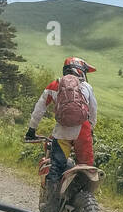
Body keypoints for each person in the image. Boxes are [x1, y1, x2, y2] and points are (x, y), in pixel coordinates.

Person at [25, 57, 98, 188]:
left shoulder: (54, 86)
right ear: (80, 71)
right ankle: (85, 195)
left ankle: (52, 201)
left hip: (61, 133)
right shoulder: (87, 87)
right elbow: (93, 111)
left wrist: (31, 130)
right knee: (87, 169)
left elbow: (39, 110)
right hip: (83, 131)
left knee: (56, 168)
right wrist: (91, 128)